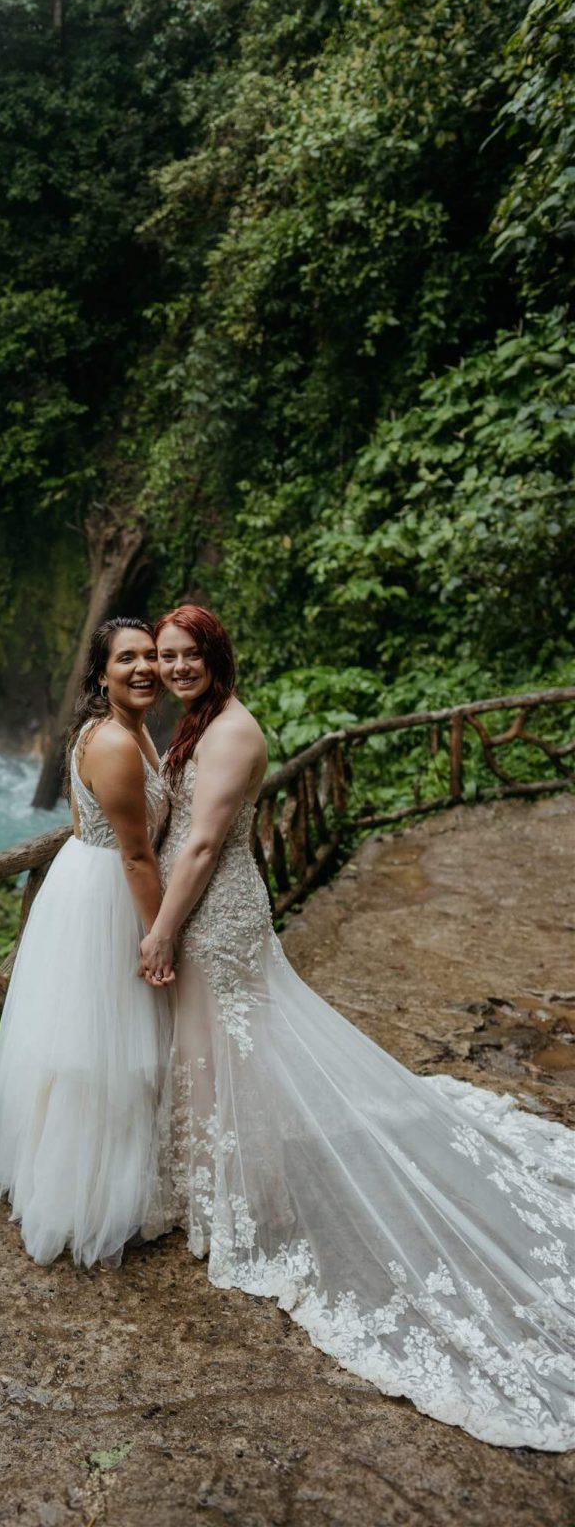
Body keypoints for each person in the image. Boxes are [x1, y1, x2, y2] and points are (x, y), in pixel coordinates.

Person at [140, 602, 575, 1450]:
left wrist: (161, 928)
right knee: (209, 1051)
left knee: (232, 1048)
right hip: (199, 912)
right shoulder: (195, 720)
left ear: (216, 656)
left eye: (190, 654)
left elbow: (199, 847)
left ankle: (243, 1196)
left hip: (213, 912)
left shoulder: (232, 731)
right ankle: (219, 1182)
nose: (177, 666)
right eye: (166, 655)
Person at [0, 617, 170, 1267]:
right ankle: (91, 1203)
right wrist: (161, 936)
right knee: (106, 1053)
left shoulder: (121, 727)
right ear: (101, 673)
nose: (143, 668)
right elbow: (139, 857)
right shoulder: (114, 742)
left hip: (87, 881)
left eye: (150, 656)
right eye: (127, 659)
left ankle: (84, 1185)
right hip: (109, 895)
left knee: (94, 1047)